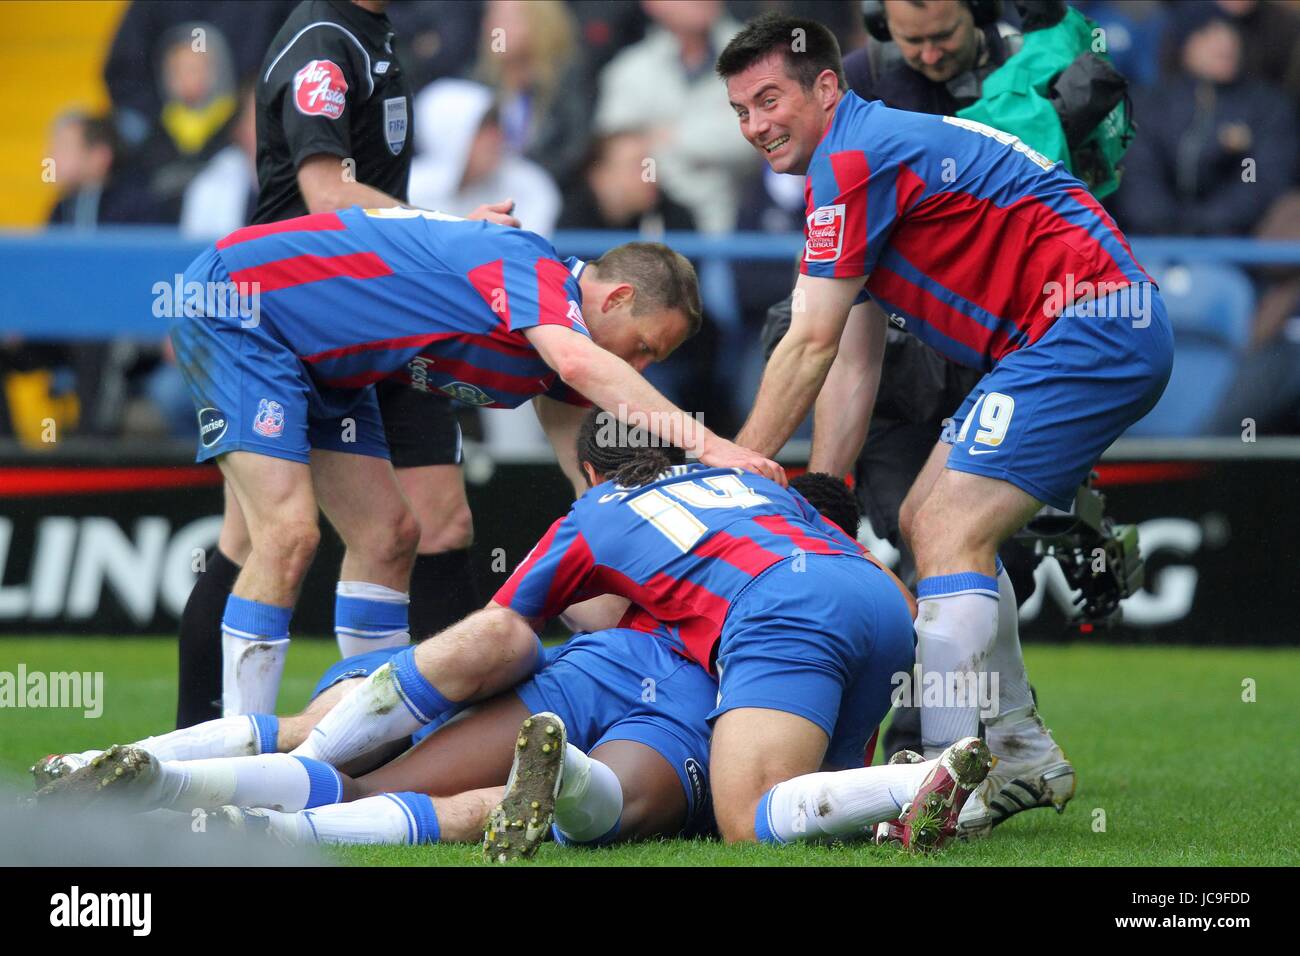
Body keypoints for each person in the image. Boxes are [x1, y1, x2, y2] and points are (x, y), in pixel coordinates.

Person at [716, 12, 1173, 835]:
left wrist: (738, 473)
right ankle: (1021, 753)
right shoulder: (855, 160)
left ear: (827, 87)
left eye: (769, 100)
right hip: (1071, 335)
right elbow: (849, 353)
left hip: (1092, 326)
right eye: (741, 112)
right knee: (935, 524)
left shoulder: (854, 159)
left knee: (947, 531)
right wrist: (824, 486)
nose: (754, 126)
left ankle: (944, 791)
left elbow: (811, 339)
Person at [169, 204, 777, 723]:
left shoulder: (561, 346)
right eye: (644, 348)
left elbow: (593, 503)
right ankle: (240, 757)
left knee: (389, 537)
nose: (640, 369)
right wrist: (711, 446)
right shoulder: (532, 270)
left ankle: (364, 737)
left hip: (325, 360)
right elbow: (580, 365)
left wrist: (644, 624)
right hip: (242, 305)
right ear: (616, 298)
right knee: (288, 534)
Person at [175, 0, 525, 730]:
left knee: (403, 531)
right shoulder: (322, 46)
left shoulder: (376, 35)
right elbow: (326, 197)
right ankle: (215, 750)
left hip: (355, 312)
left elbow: (357, 202)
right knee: (273, 537)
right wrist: (455, 233)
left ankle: (385, 738)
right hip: (278, 315)